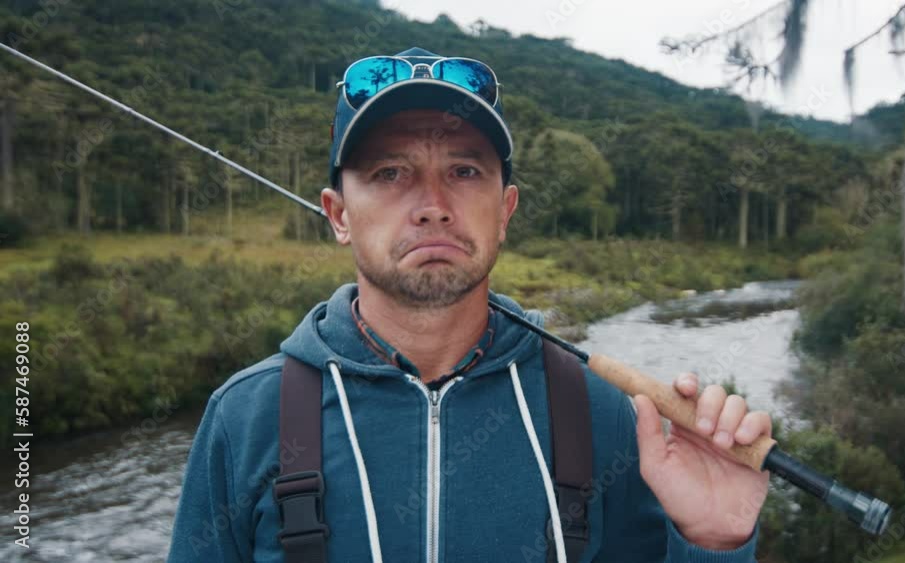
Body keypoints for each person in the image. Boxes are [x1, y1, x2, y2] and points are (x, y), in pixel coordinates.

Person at [167, 47, 772, 562]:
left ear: (504, 211)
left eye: (462, 170)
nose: (432, 203)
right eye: (389, 173)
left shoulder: (604, 414)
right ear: (338, 214)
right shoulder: (244, 417)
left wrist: (714, 542)